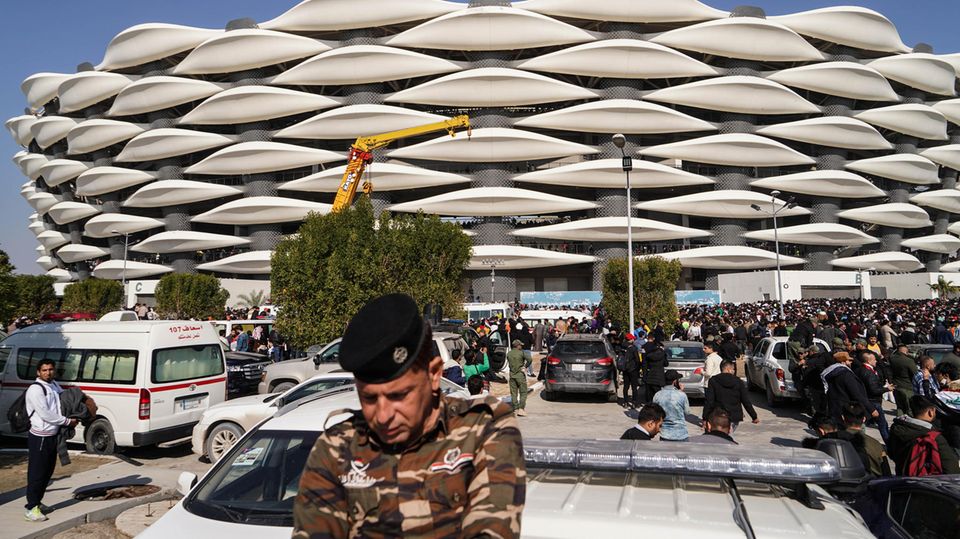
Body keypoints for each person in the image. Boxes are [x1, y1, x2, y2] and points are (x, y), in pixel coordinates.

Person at [293, 294, 525, 538]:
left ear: (434, 374)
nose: (383, 416)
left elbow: (493, 529)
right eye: (369, 398)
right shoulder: (337, 448)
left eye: (399, 395)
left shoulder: (483, 429)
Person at [24, 359, 79, 522]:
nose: (48, 372)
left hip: (52, 436)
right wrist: (68, 422)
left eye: (50, 369)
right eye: (44, 370)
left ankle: (37, 504)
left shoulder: (54, 385)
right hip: (40, 437)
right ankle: (30, 508)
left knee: (47, 472)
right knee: (37, 473)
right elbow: (45, 413)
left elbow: (63, 401)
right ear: (38, 372)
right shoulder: (35, 389)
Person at [887, 395, 960, 476]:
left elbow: (891, 453)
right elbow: (952, 470)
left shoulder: (896, 428)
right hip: (927, 484)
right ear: (931, 412)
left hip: (902, 479)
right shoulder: (935, 438)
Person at [822, 351, 877, 424]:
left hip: (835, 408)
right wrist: (871, 409)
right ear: (843, 362)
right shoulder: (846, 374)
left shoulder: (831, 372)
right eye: (849, 360)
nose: (851, 362)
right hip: (848, 410)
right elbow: (857, 394)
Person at [703, 360, 758, 432]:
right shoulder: (738, 381)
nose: (734, 371)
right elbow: (745, 401)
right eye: (733, 369)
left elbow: (709, 401)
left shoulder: (713, 380)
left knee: (719, 438)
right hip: (734, 416)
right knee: (728, 437)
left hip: (718, 416)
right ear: (728, 369)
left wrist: (705, 417)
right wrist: (754, 416)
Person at [839, 403, 890, 477]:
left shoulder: (833, 440)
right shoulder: (876, 445)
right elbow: (886, 473)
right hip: (870, 484)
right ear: (864, 419)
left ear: (843, 418)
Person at [858, 351, 893, 442]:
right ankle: (889, 443)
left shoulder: (861, 370)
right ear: (869, 361)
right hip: (873, 401)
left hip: (868, 400)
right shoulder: (869, 373)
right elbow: (874, 390)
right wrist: (886, 389)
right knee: (883, 425)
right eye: (874, 360)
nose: (876, 361)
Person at [652, 370, 690, 442]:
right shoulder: (681, 395)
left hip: (665, 434)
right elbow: (687, 412)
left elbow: (655, 413)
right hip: (681, 434)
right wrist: (681, 391)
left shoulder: (657, 395)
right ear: (675, 381)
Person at [889, 344, 918, 416]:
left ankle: (899, 421)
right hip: (907, 387)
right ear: (905, 352)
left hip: (896, 386)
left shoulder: (892, 359)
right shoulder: (909, 361)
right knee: (909, 408)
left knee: (899, 407)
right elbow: (915, 373)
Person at [620, 334, 642, 409]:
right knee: (634, 387)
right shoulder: (633, 348)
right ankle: (634, 402)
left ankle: (625, 402)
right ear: (631, 340)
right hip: (633, 370)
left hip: (625, 369)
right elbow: (637, 360)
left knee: (626, 386)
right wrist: (638, 368)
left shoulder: (622, 347)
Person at [506, 339, 528, 417]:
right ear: (518, 345)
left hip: (512, 375)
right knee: (523, 392)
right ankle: (521, 409)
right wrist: (525, 366)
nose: (521, 346)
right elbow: (530, 359)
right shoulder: (521, 353)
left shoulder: (509, 353)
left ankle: (515, 408)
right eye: (520, 345)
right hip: (520, 375)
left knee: (514, 393)